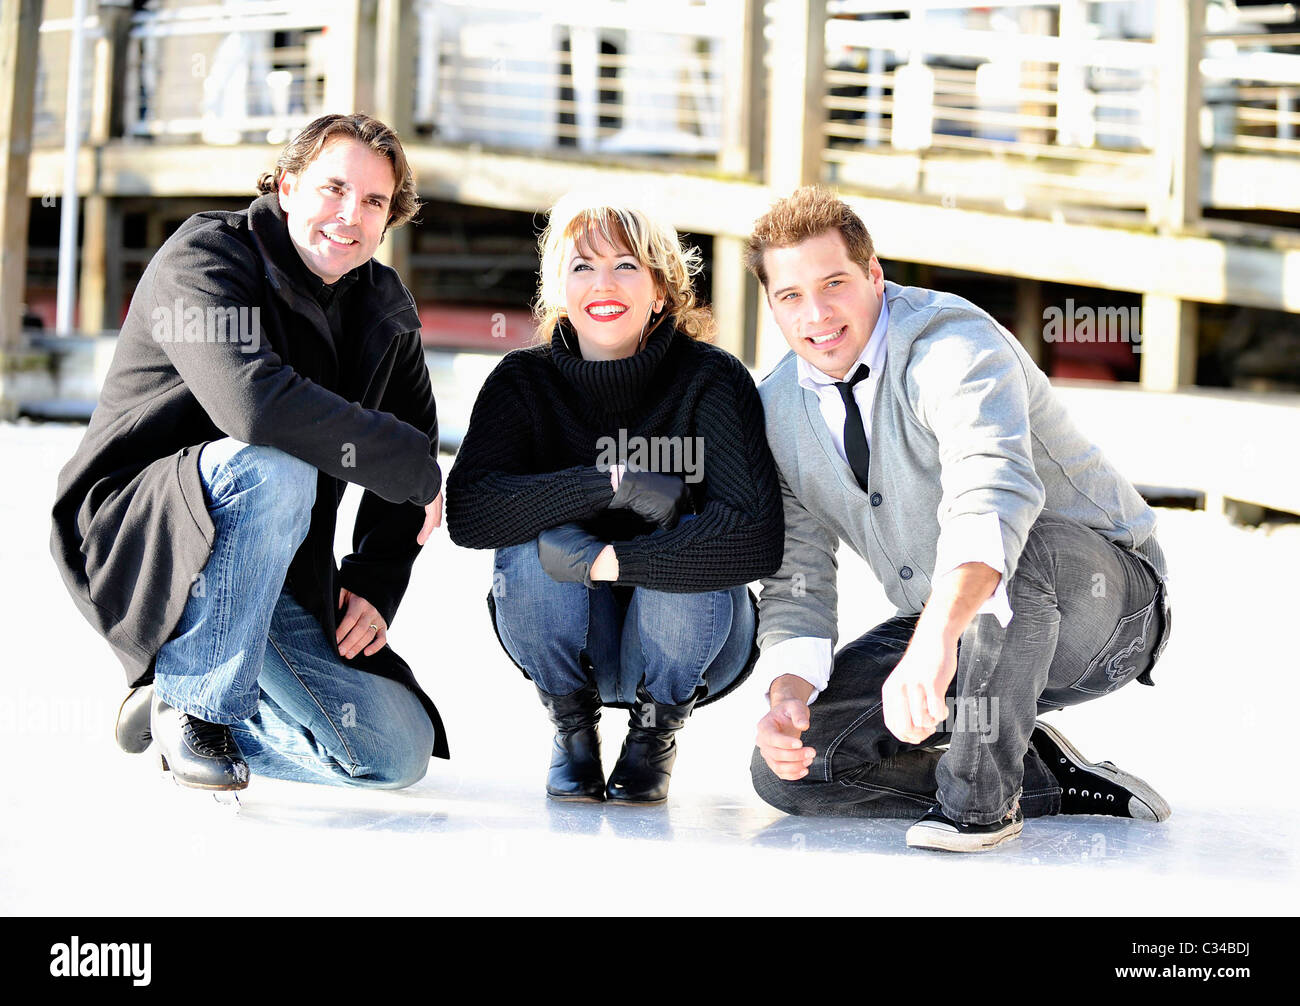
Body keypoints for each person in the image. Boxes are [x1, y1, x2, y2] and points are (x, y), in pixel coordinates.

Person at [746, 186, 1173, 851]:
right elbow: (797, 574)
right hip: (962, 633)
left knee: (1016, 548)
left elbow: (992, 492)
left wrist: (936, 637)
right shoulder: (776, 409)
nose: (818, 313)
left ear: (875, 277)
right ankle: (1043, 775)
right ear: (771, 305)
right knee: (797, 770)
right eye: (791, 296)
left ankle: (979, 800)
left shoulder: (952, 344)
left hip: (1106, 611)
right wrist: (787, 697)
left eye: (835, 283)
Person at [51, 113, 450, 793]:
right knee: (276, 464)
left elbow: (403, 465)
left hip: (269, 572)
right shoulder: (206, 256)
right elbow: (254, 405)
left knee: (393, 751)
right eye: (333, 188)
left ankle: (187, 695)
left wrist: (377, 584)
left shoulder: (383, 307)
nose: (350, 215)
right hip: (146, 536)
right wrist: (413, 466)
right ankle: (195, 705)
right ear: (287, 185)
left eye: (374, 201)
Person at [446, 192, 783, 805]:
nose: (604, 282)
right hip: (573, 642)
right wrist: (610, 482)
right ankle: (573, 732)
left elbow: (754, 537)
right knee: (528, 538)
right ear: (559, 291)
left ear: (661, 287)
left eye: (626, 264)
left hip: (697, 641)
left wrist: (616, 560)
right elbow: (469, 512)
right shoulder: (522, 381)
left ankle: (654, 736)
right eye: (582, 267)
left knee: (688, 541)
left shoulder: (711, 379)